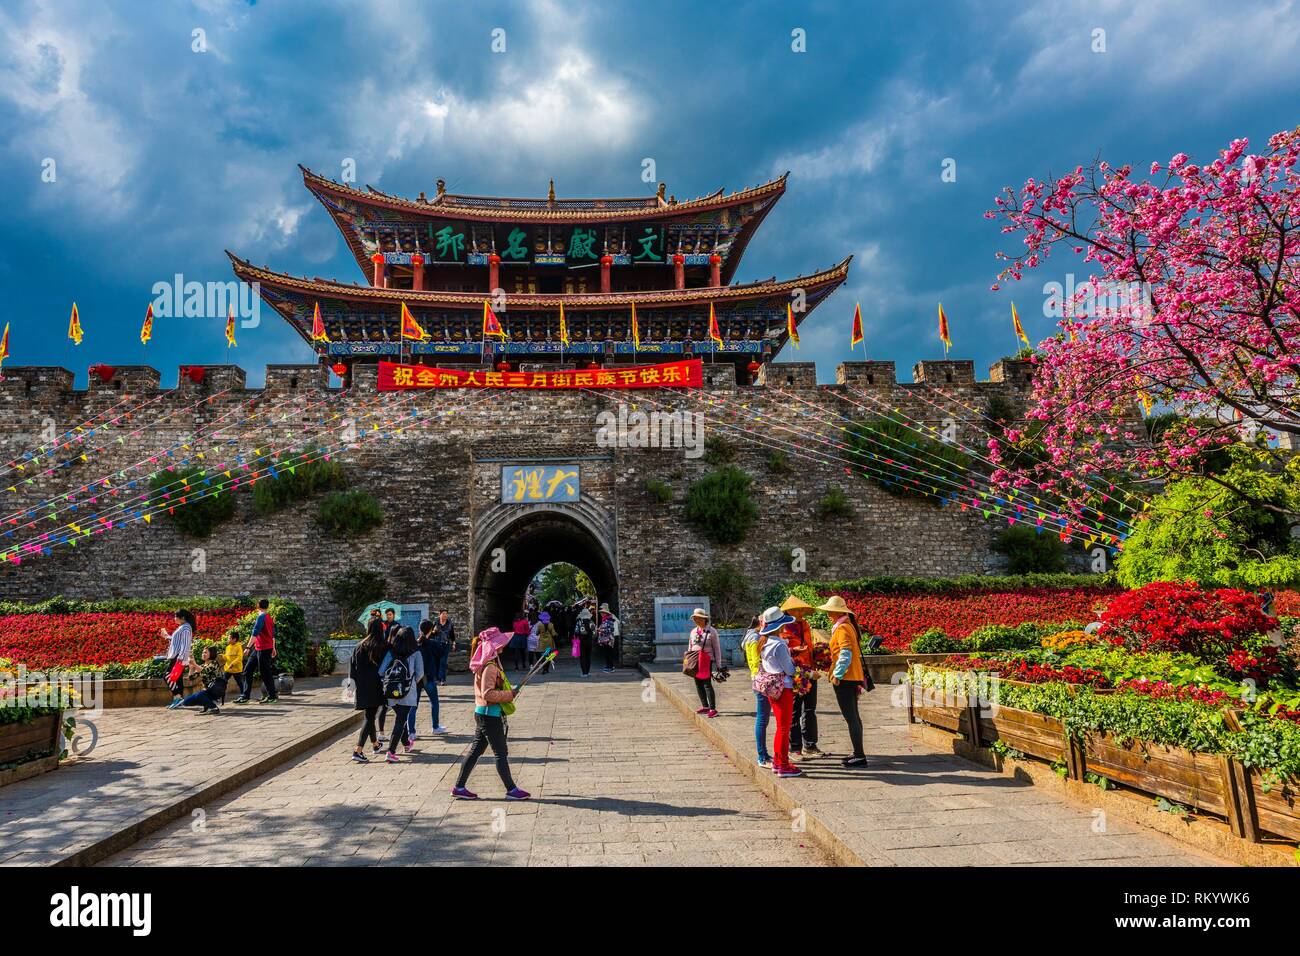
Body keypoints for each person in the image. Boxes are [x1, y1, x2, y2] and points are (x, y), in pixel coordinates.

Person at [451, 627, 530, 801]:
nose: (503, 646)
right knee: (500, 752)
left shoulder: (488, 664)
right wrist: (509, 695)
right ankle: (511, 789)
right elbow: (487, 694)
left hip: (484, 713)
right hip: (489, 715)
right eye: (499, 643)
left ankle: (459, 787)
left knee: (476, 750)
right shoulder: (489, 667)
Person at [817, 595, 869, 768]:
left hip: (846, 678)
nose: (828, 615)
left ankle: (859, 756)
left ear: (837, 612)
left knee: (851, 717)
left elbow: (845, 654)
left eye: (830, 612)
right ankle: (857, 752)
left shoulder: (842, 628)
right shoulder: (848, 626)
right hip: (852, 677)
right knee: (854, 716)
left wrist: (837, 675)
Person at [758, 606, 801, 777]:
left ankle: (778, 761)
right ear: (780, 626)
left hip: (772, 688)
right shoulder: (779, 645)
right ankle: (783, 765)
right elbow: (789, 670)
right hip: (783, 687)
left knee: (780, 727)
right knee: (784, 728)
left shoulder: (766, 643)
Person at [780, 595, 822, 758]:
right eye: (796, 610)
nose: (800, 613)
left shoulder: (805, 625)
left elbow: (809, 646)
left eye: (801, 610)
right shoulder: (783, 628)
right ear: (788, 611)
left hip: (810, 671)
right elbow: (782, 652)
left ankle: (810, 745)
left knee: (810, 709)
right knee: (794, 711)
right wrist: (794, 650)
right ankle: (795, 747)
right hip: (795, 673)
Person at [380, 626, 424, 763]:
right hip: (407, 692)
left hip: (391, 691)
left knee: (401, 717)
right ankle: (391, 751)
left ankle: (406, 744)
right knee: (400, 720)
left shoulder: (391, 652)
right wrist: (410, 683)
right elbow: (420, 673)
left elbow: (381, 671)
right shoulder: (416, 652)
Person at [349, 619, 387, 762]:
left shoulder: (359, 646)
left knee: (369, 715)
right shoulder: (381, 646)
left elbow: (352, 667)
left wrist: (351, 686)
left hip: (362, 686)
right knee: (370, 717)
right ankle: (358, 750)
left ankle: (376, 744)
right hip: (376, 686)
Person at [409, 619, 448, 739]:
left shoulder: (414, 644)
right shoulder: (432, 643)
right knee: (434, 702)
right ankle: (435, 727)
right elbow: (442, 652)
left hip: (416, 678)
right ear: (430, 630)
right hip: (428, 677)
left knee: (413, 705)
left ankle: (411, 732)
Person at [740, 614, 771, 768]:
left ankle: (764, 753)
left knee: (764, 718)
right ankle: (762, 755)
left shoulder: (752, 636)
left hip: (759, 680)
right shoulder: (754, 638)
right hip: (761, 681)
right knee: (762, 718)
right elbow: (755, 662)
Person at [234, 599, 277, 704]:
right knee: (247, 670)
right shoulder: (268, 617)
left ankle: (272, 696)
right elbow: (273, 634)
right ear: (267, 606)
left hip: (264, 649)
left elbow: (255, 633)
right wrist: (273, 647)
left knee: (265, 673)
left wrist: (248, 647)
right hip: (259, 648)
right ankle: (245, 696)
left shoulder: (261, 617)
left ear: (258, 606)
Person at [686, 608, 722, 717]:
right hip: (695, 661)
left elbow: (717, 649)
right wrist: (688, 660)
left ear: (704, 619)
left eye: (698, 618)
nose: (696, 620)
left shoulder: (712, 631)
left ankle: (713, 708)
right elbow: (690, 646)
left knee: (707, 684)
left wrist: (718, 664)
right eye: (694, 618)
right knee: (698, 684)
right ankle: (705, 706)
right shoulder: (693, 631)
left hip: (706, 661)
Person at [172, 645, 228, 713]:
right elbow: (191, 678)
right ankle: (207, 705)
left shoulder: (214, 663)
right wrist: (191, 667)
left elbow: (205, 671)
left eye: (205, 652)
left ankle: (214, 708)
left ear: (211, 654)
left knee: (199, 695)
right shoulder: (202, 666)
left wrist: (194, 664)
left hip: (216, 690)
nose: (203, 654)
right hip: (207, 691)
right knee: (186, 702)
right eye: (203, 652)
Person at [159, 609, 196, 707]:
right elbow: (178, 641)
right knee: (178, 679)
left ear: (182, 617)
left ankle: (177, 696)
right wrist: (167, 636)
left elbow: (185, 643)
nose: (174, 618)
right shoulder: (183, 627)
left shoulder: (186, 628)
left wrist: (180, 657)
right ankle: (178, 700)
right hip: (178, 655)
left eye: (176, 616)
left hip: (178, 656)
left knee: (167, 676)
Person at [429, 610, 455, 686]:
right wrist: (434, 631)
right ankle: (437, 679)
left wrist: (454, 643)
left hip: (446, 645)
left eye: (446, 614)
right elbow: (431, 635)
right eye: (443, 614)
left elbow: (452, 634)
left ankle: (442, 680)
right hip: (436, 645)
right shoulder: (435, 623)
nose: (445, 615)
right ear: (440, 615)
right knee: (436, 662)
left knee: (443, 662)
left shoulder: (450, 624)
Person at [573, 599, 596, 677]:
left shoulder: (579, 622)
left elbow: (576, 632)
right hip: (589, 641)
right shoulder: (591, 622)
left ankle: (584, 672)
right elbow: (594, 632)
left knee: (582, 657)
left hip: (581, 641)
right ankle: (588, 671)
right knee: (588, 656)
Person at [221, 629, 246, 699]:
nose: (228, 639)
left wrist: (232, 664)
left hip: (236, 670)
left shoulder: (239, 647)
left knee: (240, 683)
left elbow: (239, 658)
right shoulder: (227, 647)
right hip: (228, 669)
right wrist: (222, 656)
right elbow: (227, 657)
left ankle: (243, 694)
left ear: (234, 639)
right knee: (223, 682)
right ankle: (221, 694)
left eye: (229, 638)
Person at [597, 603, 619, 673]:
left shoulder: (609, 620)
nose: (601, 614)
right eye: (601, 612)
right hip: (606, 639)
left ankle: (610, 667)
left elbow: (610, 630)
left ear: (605, 613)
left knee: (609, 653)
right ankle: (609, 666)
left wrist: (601, 630)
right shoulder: (605, 619)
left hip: (609, 640)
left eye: (602, 612)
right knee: (607, 653)